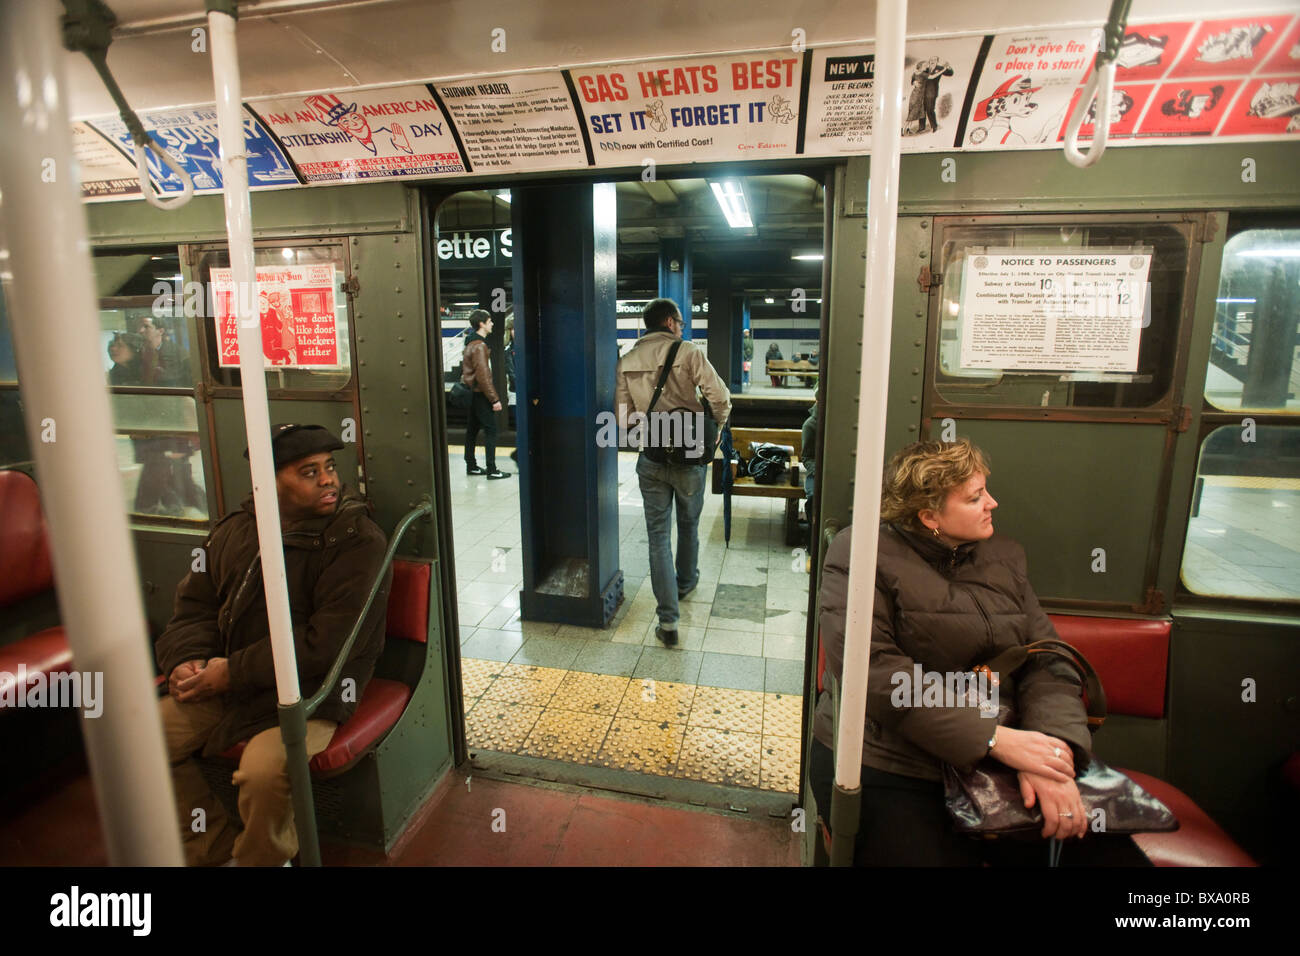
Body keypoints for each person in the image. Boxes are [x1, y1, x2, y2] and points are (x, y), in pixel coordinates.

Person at [809, 439, 1149, 866]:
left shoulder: (1004, 558)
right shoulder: (860, 553)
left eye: (985, 490)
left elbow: (1048, 661)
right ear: (929, 516)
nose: (993, 502)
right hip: (894, 761)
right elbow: (877, 675)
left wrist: (1051, 753)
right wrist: (992, 739)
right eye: (975, 497)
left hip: (1004, 751)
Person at [154, 423, 391, 866]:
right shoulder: (236, 532)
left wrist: (232, 671)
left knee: (263, 773)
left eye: (329, 468)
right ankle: (211, 847)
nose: (328, 480)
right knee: (141, 740)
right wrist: (188, 659)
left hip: (313, 690)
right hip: (231, 680)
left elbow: (326, 644)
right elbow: (195, 607)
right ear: (268, 482)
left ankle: (261, 859)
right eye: (308, 472)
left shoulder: (356, 541)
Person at [615, 298, 731, 645]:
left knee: (657, 537)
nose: (682, 327)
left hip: (651, 458)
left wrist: (651, 430)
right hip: (690, 455)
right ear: (668, 322)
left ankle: (668, 621)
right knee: (689, 523)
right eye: (680, 322)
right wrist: (714, 432)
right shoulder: (689, 352)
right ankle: (685, 582)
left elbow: (623, 419)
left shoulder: (627, 361)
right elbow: (720, 397)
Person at [461, 309, 510, 479]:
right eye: (490, 321)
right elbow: (483, 376)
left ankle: (472, 465)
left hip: (472, 393)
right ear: (482, 324)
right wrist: (494, 399)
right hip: (480, 394)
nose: (492, 324)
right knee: (491, 430)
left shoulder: (469, 343)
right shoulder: (480, 346)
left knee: (472, 430)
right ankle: (492, 469)